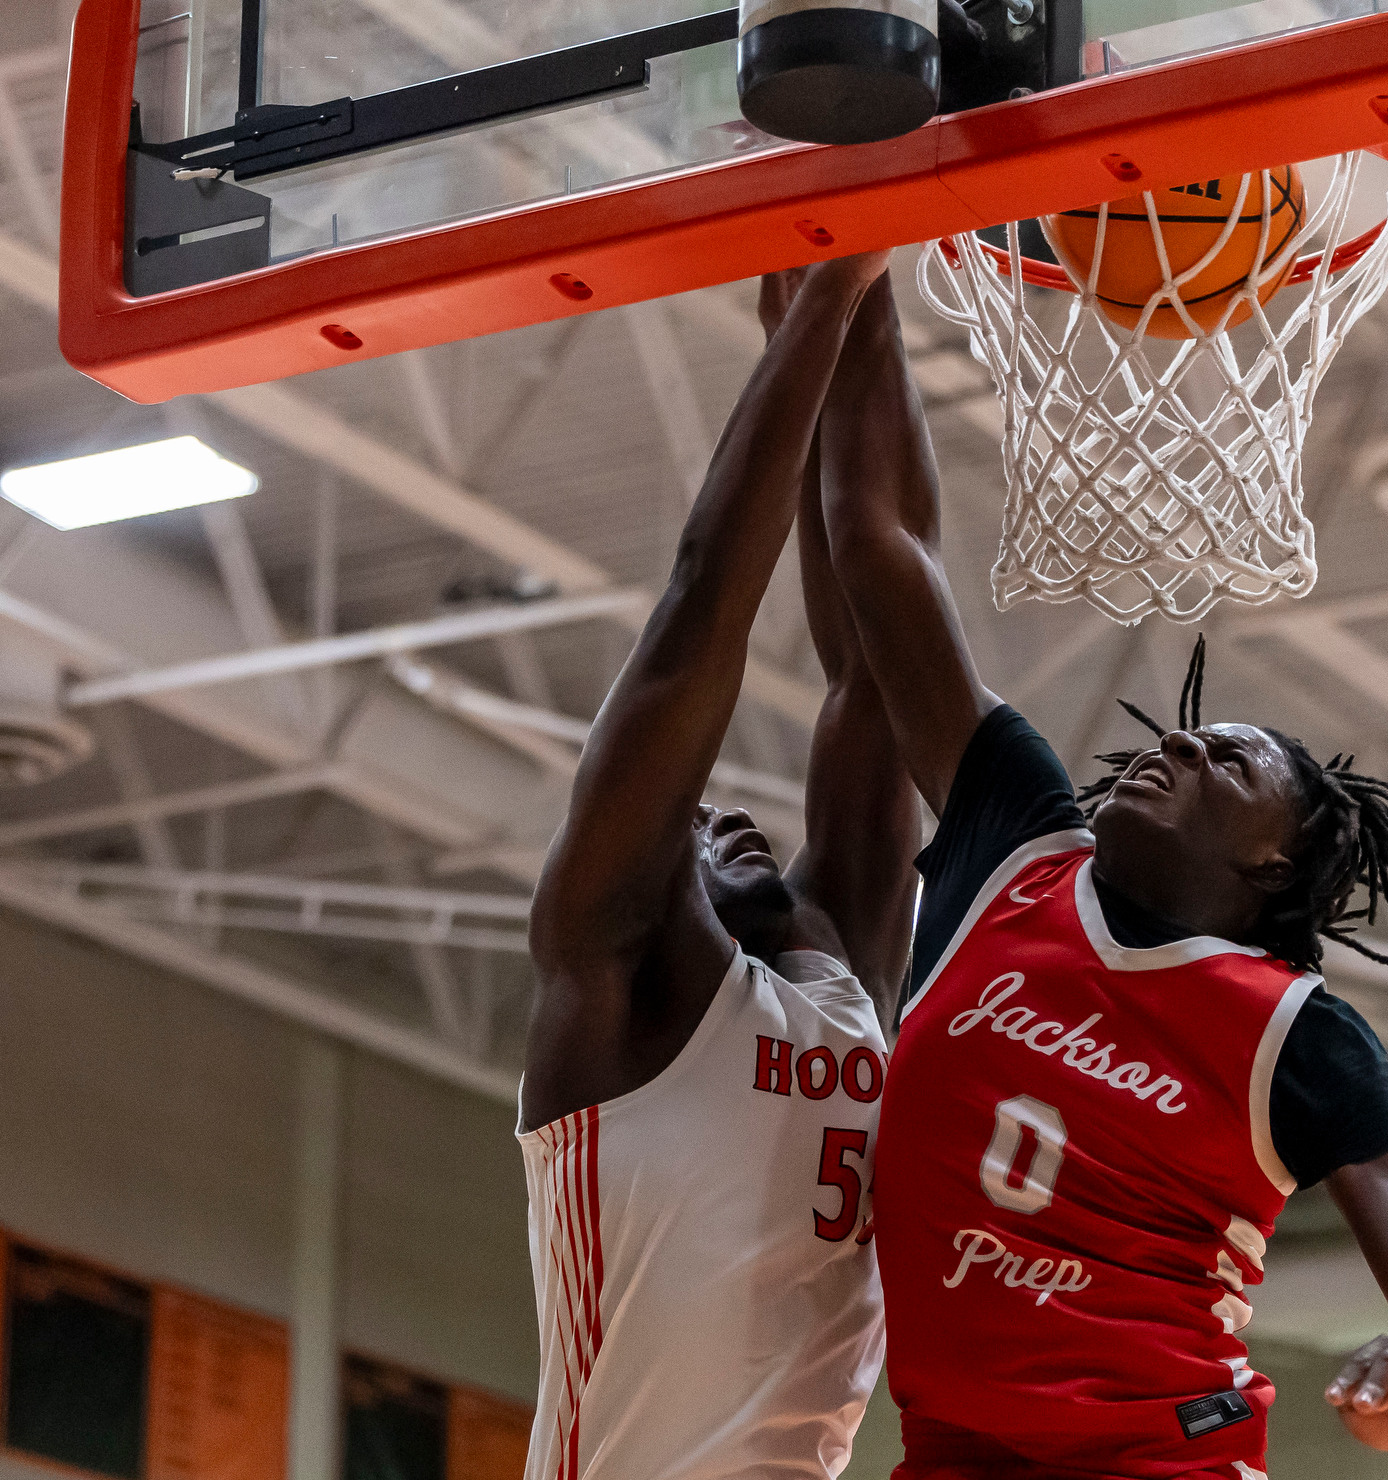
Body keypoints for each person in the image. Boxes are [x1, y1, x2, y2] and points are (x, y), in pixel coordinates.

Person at [812, 257, 1388, 1479]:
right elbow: (880, 548)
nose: (1178, 744)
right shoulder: (1017, 849)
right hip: (953, 1451)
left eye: (1226, 760)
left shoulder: (1290, 1030)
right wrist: (857, 263)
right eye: (1184, 736)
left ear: (1270, 859)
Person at [517, 254, 916, 1480]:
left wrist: (862, 302)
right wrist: (829, 300)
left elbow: (876, 665)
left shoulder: (838, 981)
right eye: (693, 818)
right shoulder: (611, 983)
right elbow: (702, 611)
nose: (725, 808)